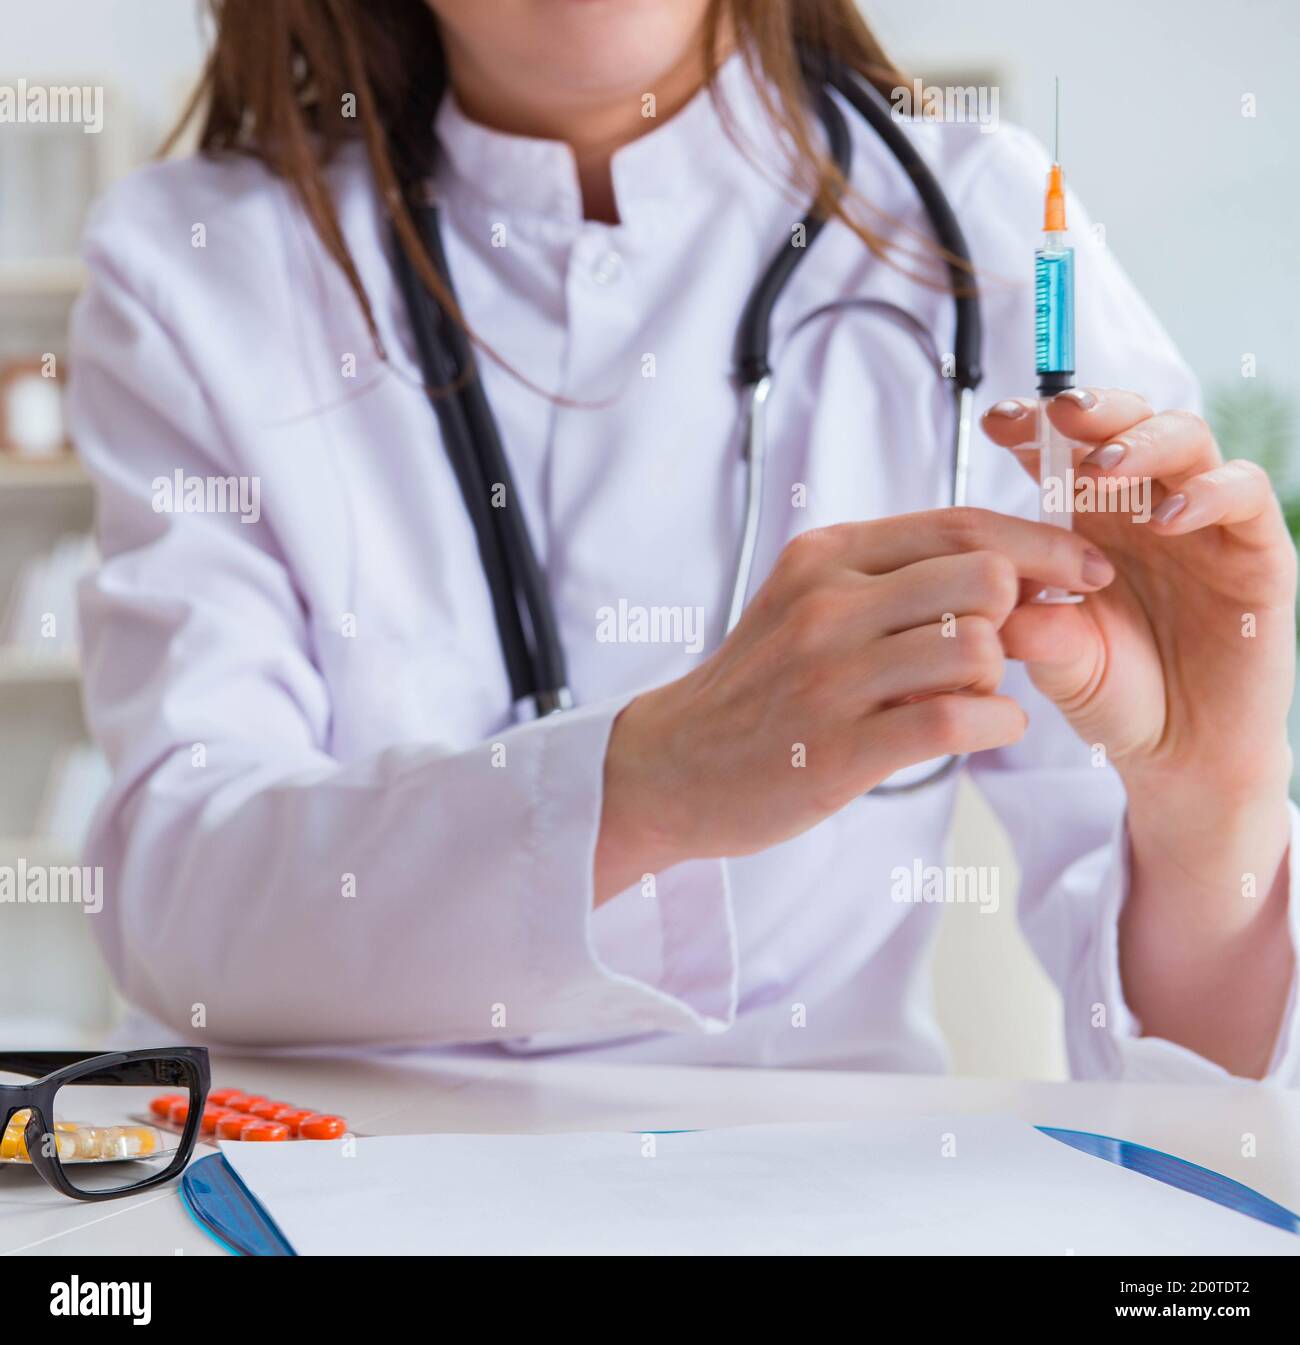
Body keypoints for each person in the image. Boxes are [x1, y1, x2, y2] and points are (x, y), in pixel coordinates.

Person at [68, 0, 1298, 1080]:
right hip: (314, 1178)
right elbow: (182, 898)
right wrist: (643, 784)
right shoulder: (194, 265)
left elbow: (1194, 1085)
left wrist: (1211, 806)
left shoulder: (983, 228)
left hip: (807, 1192)